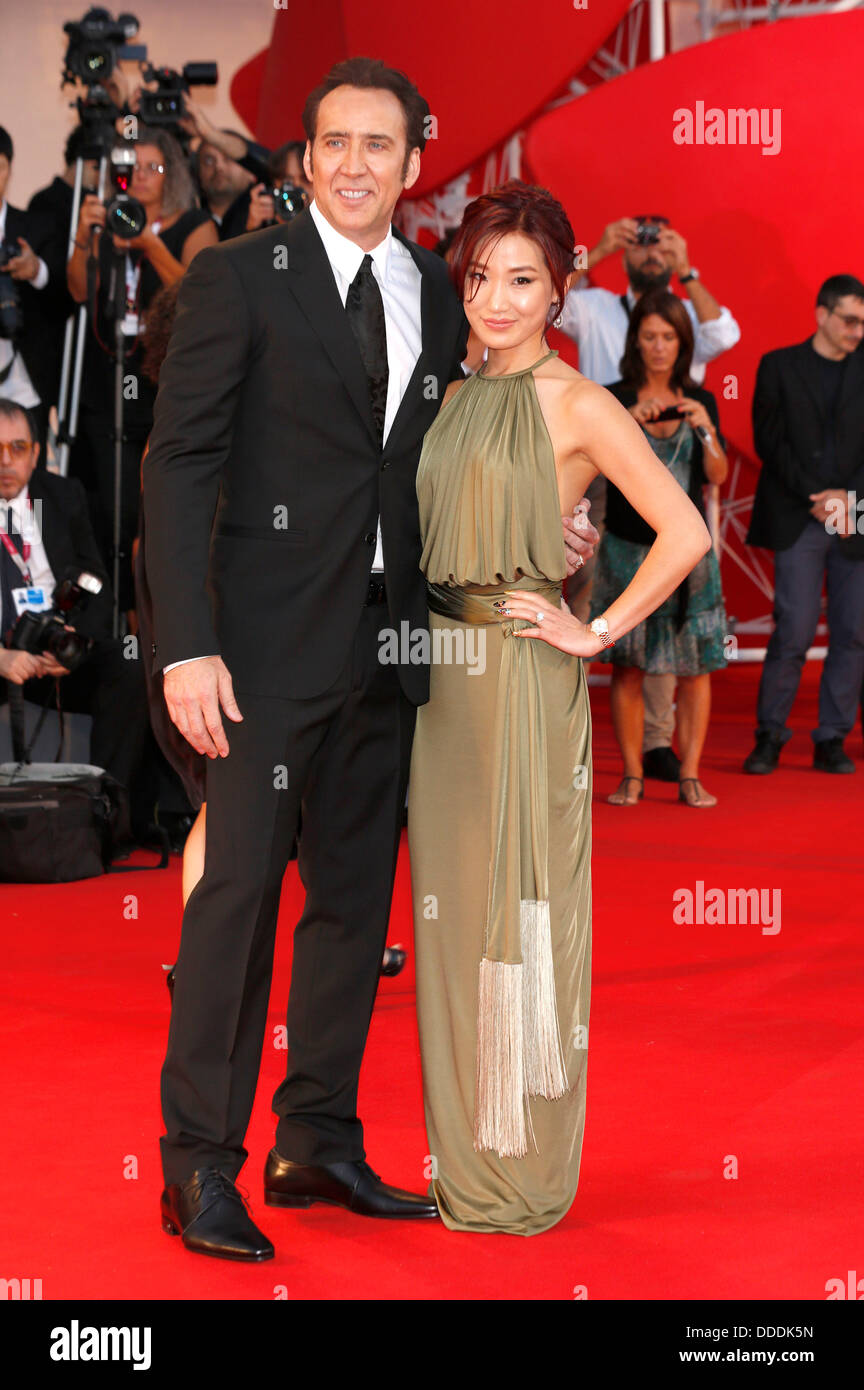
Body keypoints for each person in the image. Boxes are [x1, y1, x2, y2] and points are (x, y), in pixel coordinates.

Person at [144, 57, 595, 1264]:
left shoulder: (439, 298)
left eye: (378, 146)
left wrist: (549, 520)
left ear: (412, 160)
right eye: (332, 144)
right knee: (235, 904)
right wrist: (183, 644)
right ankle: (196, 1167)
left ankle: (317, 1137)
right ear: (303, 161)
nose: (353, 165)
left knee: (352, 908)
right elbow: (177, 465)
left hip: (398, 649)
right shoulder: (240, 280)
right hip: (251, 657)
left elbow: (461, 455)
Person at [408, 181, 711, 1235]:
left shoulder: (581, 401)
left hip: (521, 685)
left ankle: (519, 1159)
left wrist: (595, 627)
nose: (496, 300)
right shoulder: (447, 395)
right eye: (481, 277)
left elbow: (685, 533)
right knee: (449, 923)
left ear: (561, 290)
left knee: (520, 912)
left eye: (522, 281)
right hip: (435, 682)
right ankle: (463, 1146)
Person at [559, 214, 740, 785]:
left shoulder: (688, 320)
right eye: (639, 240)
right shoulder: (592, 303)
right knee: (587, 608)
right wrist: (599, 249)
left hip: (673, 497)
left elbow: (723, 335)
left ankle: (660, 749)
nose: (658, 345)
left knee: (669, 634)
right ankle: (571, 733)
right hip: (595, 477)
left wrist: (688, 268)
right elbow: (546, 301)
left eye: (657, 240)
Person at [67, 127, 217, 614]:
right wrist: (84, 240)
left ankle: (155, 626)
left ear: (172, 173)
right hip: (108, 384)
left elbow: (199, 292)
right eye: (136, 168)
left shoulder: (191, 222)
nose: (145, 177)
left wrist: (148, 244)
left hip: (165, 384)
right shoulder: (108, 221)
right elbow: (76, 290)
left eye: (156, 167)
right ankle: (117, 620)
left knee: (161, 512)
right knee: (115, 511)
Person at [590, 290, 728, 807]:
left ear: (682, 343)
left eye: (668, 337)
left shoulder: (702, 398)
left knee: (695, 667)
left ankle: (690, 774)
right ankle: (631, 774)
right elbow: (595, 471)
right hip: (627, 549)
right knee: (627, 664)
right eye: (649, 336)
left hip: (688, 557)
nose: (659, 346)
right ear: (635, 341)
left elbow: (715, 475)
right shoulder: (611, 397)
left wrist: (706, 429)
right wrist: (629, 424)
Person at [0, 398, 149, 811]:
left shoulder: (61, 495)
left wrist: (75, 639)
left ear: (35, 454)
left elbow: (96, 582)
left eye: (17, 448)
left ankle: (104, 814)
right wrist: (2, 658)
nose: (6, 461)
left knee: (130, 664)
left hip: (60, 644)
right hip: (2, 655)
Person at [744, 274, 864, 775]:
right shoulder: (778, 366)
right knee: (792, 630)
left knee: (853, 631)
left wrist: (847, 498)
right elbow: (769, 443)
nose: (858, 331)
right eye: (849, 320)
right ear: (822, 314)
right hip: (800, 512)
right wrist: (820, 497)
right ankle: (770, 735)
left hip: (856, 513)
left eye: (862, 322)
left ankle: (831, 738)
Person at [0, 126, 66, 457]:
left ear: (9, 169)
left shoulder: (36, 228)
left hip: (26, 383)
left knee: (32, 490)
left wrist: (35, 270)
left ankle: (31, 513)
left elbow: (67, 298)